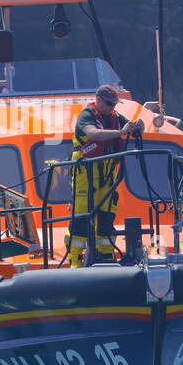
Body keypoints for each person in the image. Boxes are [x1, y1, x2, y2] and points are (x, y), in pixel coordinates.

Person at [67, 84, 143, 267]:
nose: (112, 107)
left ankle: (107, 257)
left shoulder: (115, 117)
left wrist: (139, 126)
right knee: (81, 218)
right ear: (98, 99)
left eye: (114, 104)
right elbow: (92, 133)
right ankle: (75, 260)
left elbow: (130, 128)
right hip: (86, 175)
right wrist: (120, 132)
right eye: (109, 104)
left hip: (108, 176)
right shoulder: (86, 116)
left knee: (107, 217)